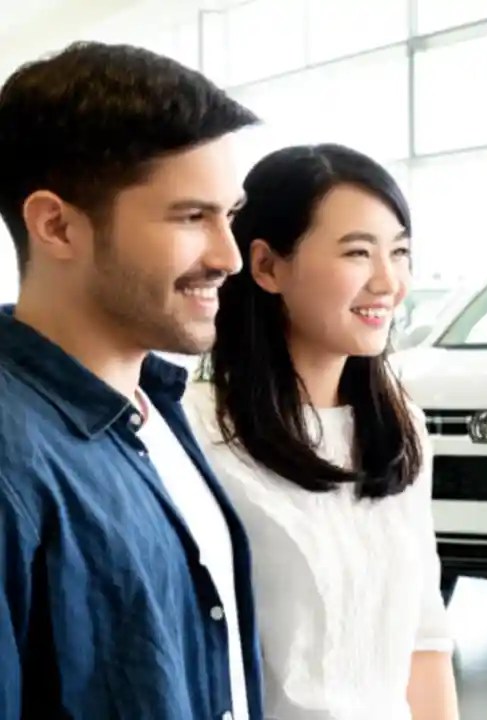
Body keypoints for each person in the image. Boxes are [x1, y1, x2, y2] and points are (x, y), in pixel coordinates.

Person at [0, 43, 262, 718]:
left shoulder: (158, 411)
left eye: (228, 214)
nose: (228, 256)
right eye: (190, 217)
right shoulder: (13, 461)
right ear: (57, 225)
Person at [183, 143, 458, 719]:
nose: (388, 281)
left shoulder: (398, 422)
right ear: (265, 267)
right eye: (358, 252)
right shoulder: (195, 431)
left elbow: (424, 636)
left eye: (400, 252)